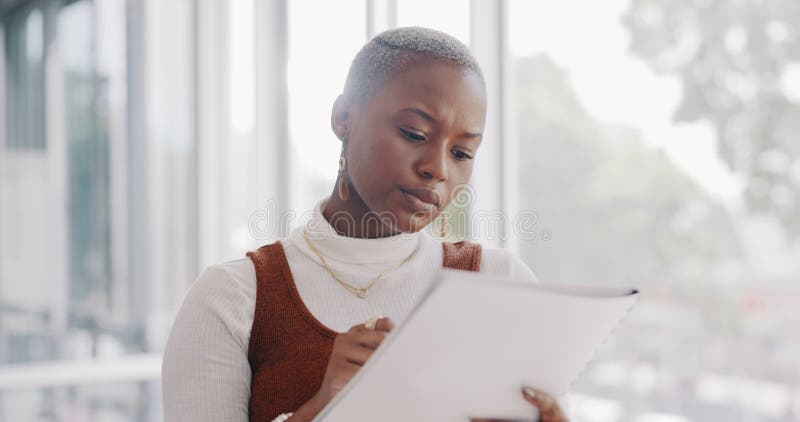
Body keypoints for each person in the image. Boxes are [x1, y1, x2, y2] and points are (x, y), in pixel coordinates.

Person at [162, 27, 569, 422]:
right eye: (414, 133)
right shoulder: (231, 301)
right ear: (343, 118)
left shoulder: (502, 284)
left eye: (462, 153)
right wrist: (324, 405)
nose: (437, 169)